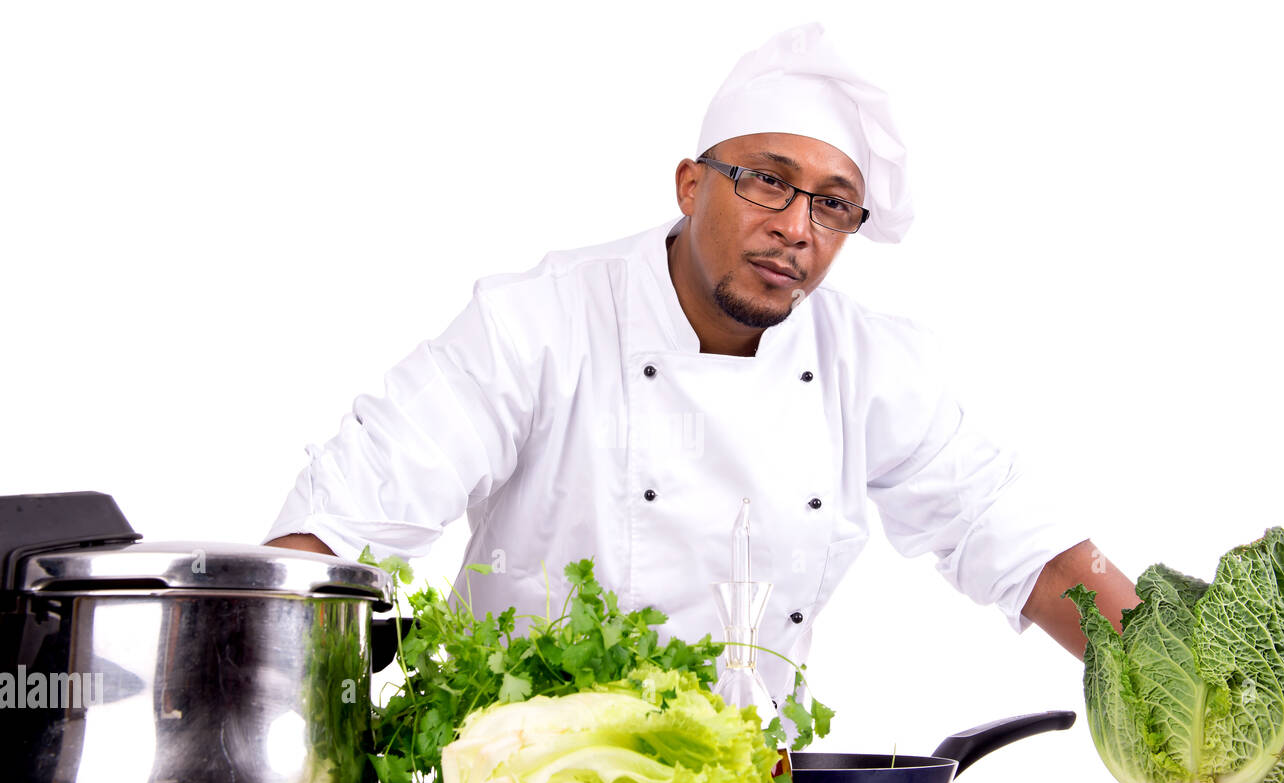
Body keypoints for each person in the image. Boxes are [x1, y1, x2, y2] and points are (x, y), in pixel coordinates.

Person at [263, 23, 1139, 705]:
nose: (797, 226)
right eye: (767, 179)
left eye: (833, 205)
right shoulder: (538, 322)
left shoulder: (864, 363)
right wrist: (247, 693)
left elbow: (1022, 540)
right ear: (691, 184)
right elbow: (349, 513)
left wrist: (1200, 701)